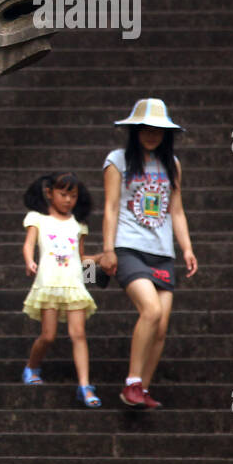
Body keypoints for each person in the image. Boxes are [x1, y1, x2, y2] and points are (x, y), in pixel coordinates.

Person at [99, 98, 198, 409]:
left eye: (158, 129)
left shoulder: (173, 164)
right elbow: (111, 207)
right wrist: (107, 248)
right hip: (129, 248)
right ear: (135, 130)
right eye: (145, 128)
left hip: (162, 252)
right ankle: (132, 381)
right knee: (151, 311)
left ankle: (142, 389)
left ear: (166, 133)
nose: (152, 134)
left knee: (161, 328)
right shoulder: (118, 160)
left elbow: (177, 212)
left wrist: (187, 248)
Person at [21, 171, 100, 407]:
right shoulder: (38, 219)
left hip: (74, 284)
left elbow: (82, 256)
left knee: (79, 334)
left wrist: (99, 261)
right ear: (49, 193)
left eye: (72, 196)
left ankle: (85, 386)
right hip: (49, 283)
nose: (67, 200)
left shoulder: (79, 224)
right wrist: (29, 261)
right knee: (48, 335)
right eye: (63, 194)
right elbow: (28, 245)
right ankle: (32, 366)